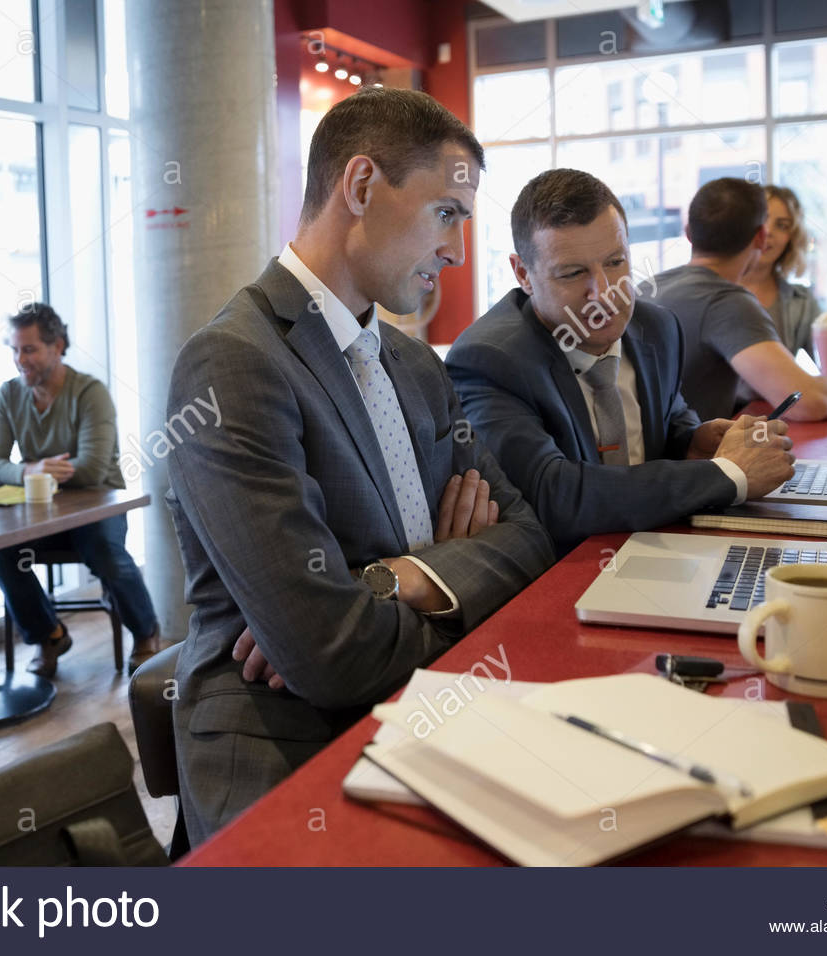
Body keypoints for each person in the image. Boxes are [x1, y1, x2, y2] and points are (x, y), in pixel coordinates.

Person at [164, 87, 555, 845]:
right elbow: (328, 657)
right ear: (363, 186)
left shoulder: (413, 364)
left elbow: (533, 538)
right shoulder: (234, 362)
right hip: (287, 738)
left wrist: (398, 579)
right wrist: (461, 589)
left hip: (429, 707)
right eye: (447, 213)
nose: (457, 251)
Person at [446, 169, 796, 557]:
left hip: (661, 547)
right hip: (561, 572)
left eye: (615, 262)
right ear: (523, 274)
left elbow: (670, 416)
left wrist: (693, 440)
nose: (605, 291)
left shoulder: (657, 328)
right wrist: (728, 474)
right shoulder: (491, 359)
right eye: (574, 272)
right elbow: (555, 497)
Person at [0, 303, 160, 678]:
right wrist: (32, 469)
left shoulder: (90, 393)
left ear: (57, 345)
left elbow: (94, 468)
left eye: (28, 350)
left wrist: (31, 474)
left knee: (101, 548)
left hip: (99, 505)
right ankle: (50, 634)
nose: (19, 360)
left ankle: (146, 633)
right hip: (43, 514)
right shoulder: (7, 395)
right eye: (14, 350)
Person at [650, 177, 827, 422]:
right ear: (760, 236)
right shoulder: (728, 302)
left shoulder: (649, 287)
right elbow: (808, 402)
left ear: (689, 233)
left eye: (783, 225)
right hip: (698, 455)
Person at [738, 184, 827, 365]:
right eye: (762, 219)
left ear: (791, 238)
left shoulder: (801, 301)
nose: (768, 231)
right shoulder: (713, 291)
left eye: (782, 225)